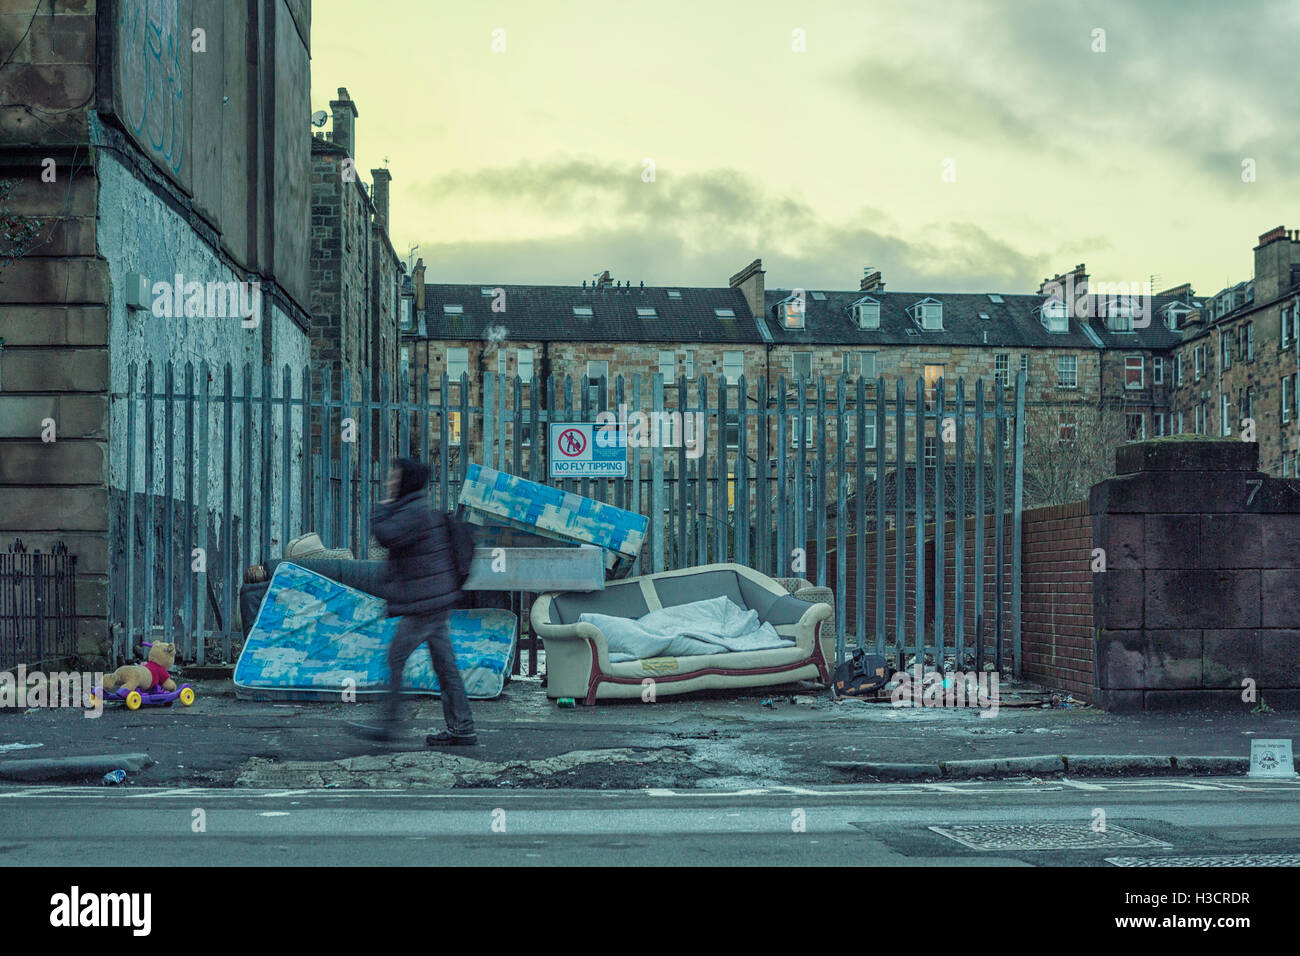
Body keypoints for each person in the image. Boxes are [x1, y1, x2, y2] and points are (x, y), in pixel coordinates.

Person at [356, 456, 476, 746]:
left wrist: (381, 507)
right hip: (436, 599)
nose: (389, 482)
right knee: (445, 663)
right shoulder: (415, 510)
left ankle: (389, 726)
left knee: (396, 658)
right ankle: (462, 726)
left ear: (406, 481)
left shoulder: (412, 512)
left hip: (426, 603)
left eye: (394, 478)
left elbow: (385, 536)